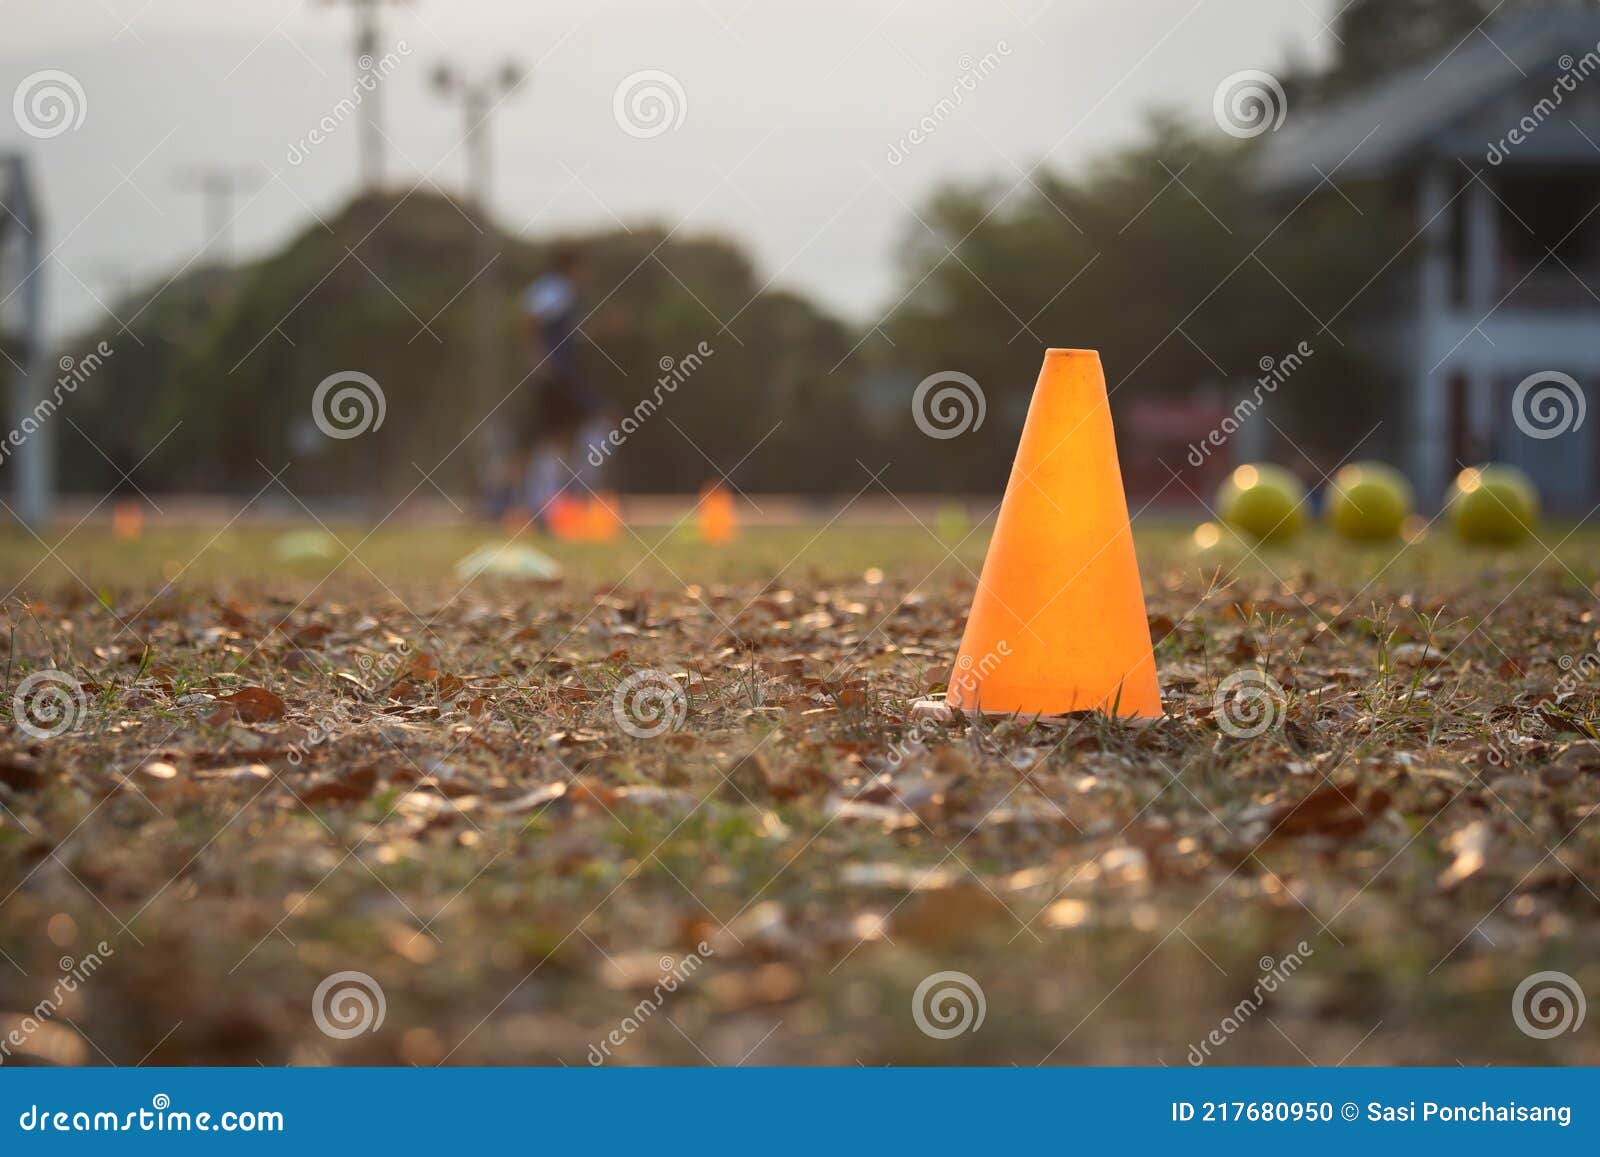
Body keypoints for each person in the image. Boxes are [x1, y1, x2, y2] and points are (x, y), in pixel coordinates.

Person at [520, 245, 609, 524]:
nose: (588, 274)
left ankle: (554, 503)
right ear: (571, 266)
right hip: (557, 377)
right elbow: (529, 317)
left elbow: (566, 332)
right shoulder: (557, 288)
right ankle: (565, 499)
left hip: (563, 376)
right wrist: (538, 358)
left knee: (560, 438)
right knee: (584, 427)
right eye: (584, 267)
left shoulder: (566, 295)